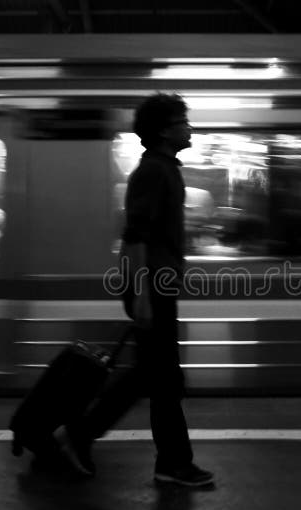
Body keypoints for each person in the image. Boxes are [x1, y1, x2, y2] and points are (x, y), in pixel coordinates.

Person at [55, 93, 214, 487]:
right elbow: (136, 237)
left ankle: (91, 437)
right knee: (164, 380)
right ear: (164, 130)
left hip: (157, 287)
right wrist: (142, 295)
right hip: (151, 290)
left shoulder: (165, 169)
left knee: (155, 377)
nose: (189, 127)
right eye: (183, 121)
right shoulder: (153, 173)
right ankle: (169, 461)